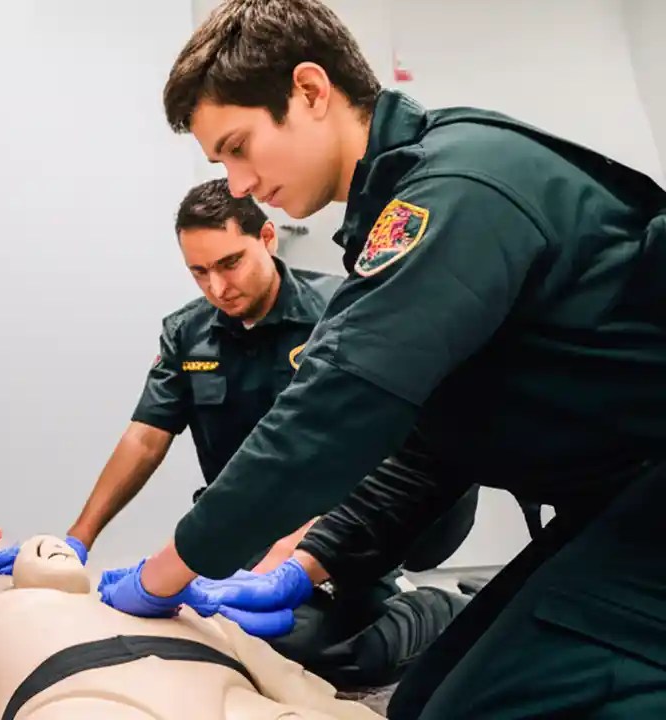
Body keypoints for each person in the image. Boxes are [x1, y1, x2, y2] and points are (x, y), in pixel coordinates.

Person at [97, 1, 666, 717]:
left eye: (239, 148)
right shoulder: (396, 206)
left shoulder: (454, 191)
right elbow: (427, 448)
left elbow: (334, 410)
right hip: (622, 499)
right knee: (416, 704)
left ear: (310, 90)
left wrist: (168, 571)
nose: (239, 184)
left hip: (648, 493)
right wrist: (304, 565)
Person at [0, 180, 474, 687]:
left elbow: (379, 450)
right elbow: (144, 439)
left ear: (268, 238)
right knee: (205, 629)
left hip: (341, 527)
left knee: (310, 651)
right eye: (199, 272)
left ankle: (439, 611)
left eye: (229, 263)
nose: (217, 287)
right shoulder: (187, 332)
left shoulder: (341, 313)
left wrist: (287, 560)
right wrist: (77, 539)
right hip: (244, 528)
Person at [0, 535, 382, 720]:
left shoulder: (177, 599)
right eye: (41, 545)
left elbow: (290, 680)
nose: (51, 547)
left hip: (223, 692)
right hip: (81, 702)